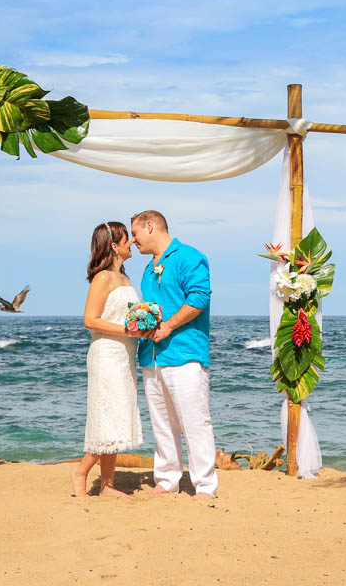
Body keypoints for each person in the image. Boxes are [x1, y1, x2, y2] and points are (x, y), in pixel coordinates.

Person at [130, 209, 218, 499]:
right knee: (162, 422)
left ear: (151, 226)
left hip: (185, 354)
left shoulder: (189, 256)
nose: (133, 241)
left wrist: (168, 326)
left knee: (194, 421)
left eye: (136, 233)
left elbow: (200, 297)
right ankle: (167, 480)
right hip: (152, 356)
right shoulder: (146, 269)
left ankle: (205, 485)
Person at [70, 221, 143, 498]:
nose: (132, 243)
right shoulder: (103, 278)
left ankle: (108, 485)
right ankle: (80, 471)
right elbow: (90, 320)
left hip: (125, 355)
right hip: (106, 355)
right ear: (114, 245)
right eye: (127, 239)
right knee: (107, 416)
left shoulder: (124, 278)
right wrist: (127, 329)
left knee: (117, 415)